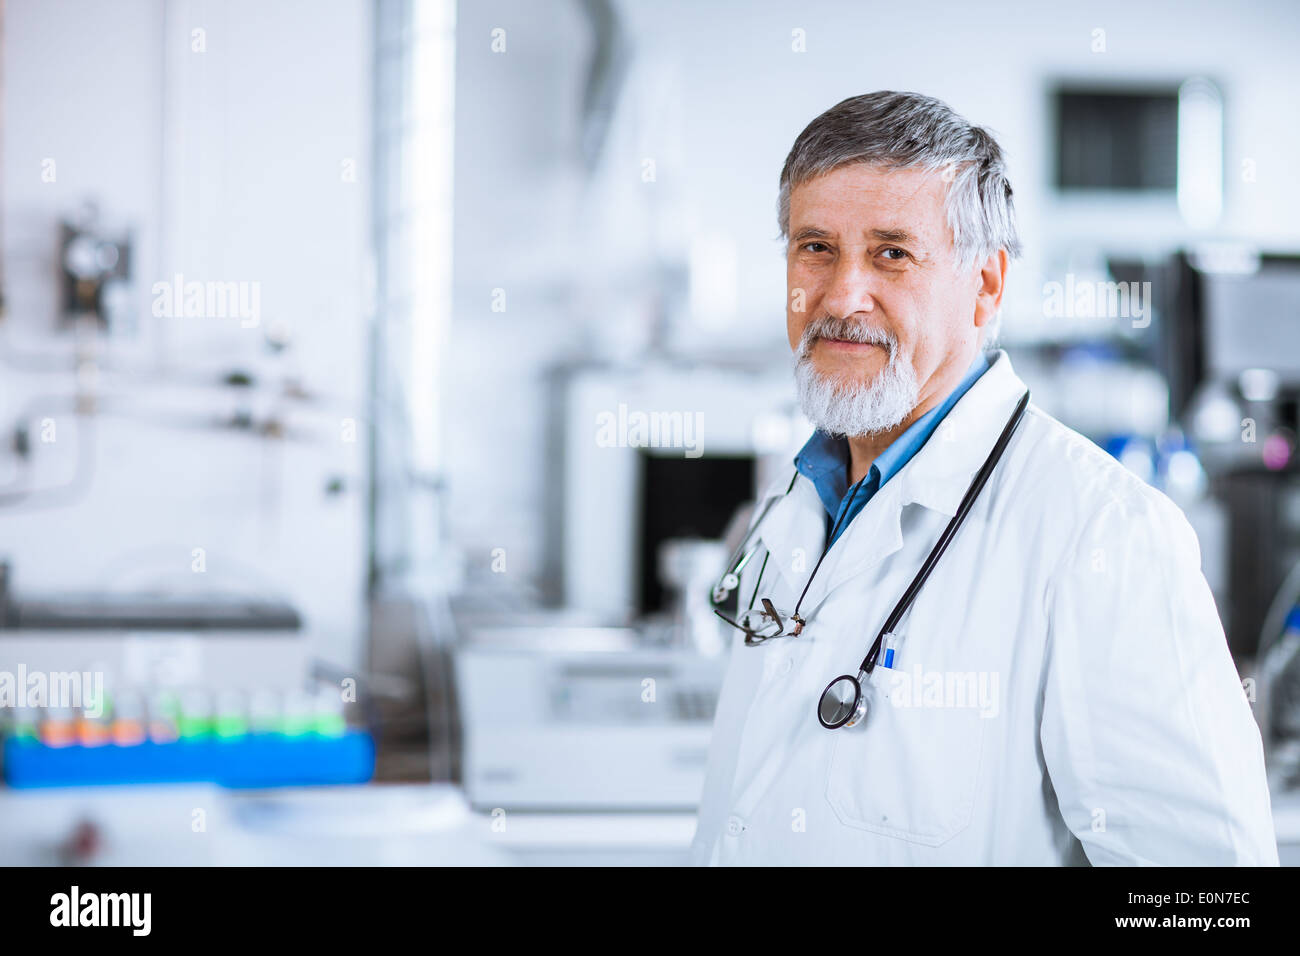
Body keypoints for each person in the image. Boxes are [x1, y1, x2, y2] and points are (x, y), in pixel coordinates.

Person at [691, 91, 1278, 865]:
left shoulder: (1100, 535)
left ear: (987, 285)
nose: (842, 296)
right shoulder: (797, 499)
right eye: (815, 247)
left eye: (892, 252)